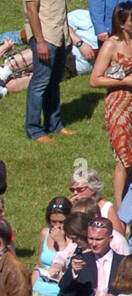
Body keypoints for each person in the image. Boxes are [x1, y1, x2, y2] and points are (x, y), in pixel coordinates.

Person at [91, 4, 132, 207]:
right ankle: (120, 207)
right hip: (119, 103)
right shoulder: (111, 45)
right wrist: (125, 81)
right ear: (123, 24)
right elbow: (95, 80)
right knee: (123, 156)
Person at [24, 0, 72, 143]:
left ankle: (54, 125)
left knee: (54, 82)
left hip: (60, 35)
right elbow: (31, 10)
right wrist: (40, 41)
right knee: (40, 83)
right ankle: (34, 130)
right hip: (45, 37)